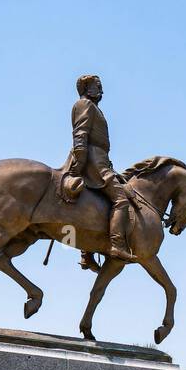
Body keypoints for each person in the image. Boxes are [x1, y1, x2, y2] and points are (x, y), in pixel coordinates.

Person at [65, 74, 139, 266]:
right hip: (93, 161)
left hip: (100, 160)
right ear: (86, 88)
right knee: (121, 200)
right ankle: (117, 245)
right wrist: (79, 166)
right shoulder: (85, 105)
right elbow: (80, 136)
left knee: (96, 203)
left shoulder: (93, 107)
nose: (102, 90)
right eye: (97, 86)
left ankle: (86, 253)